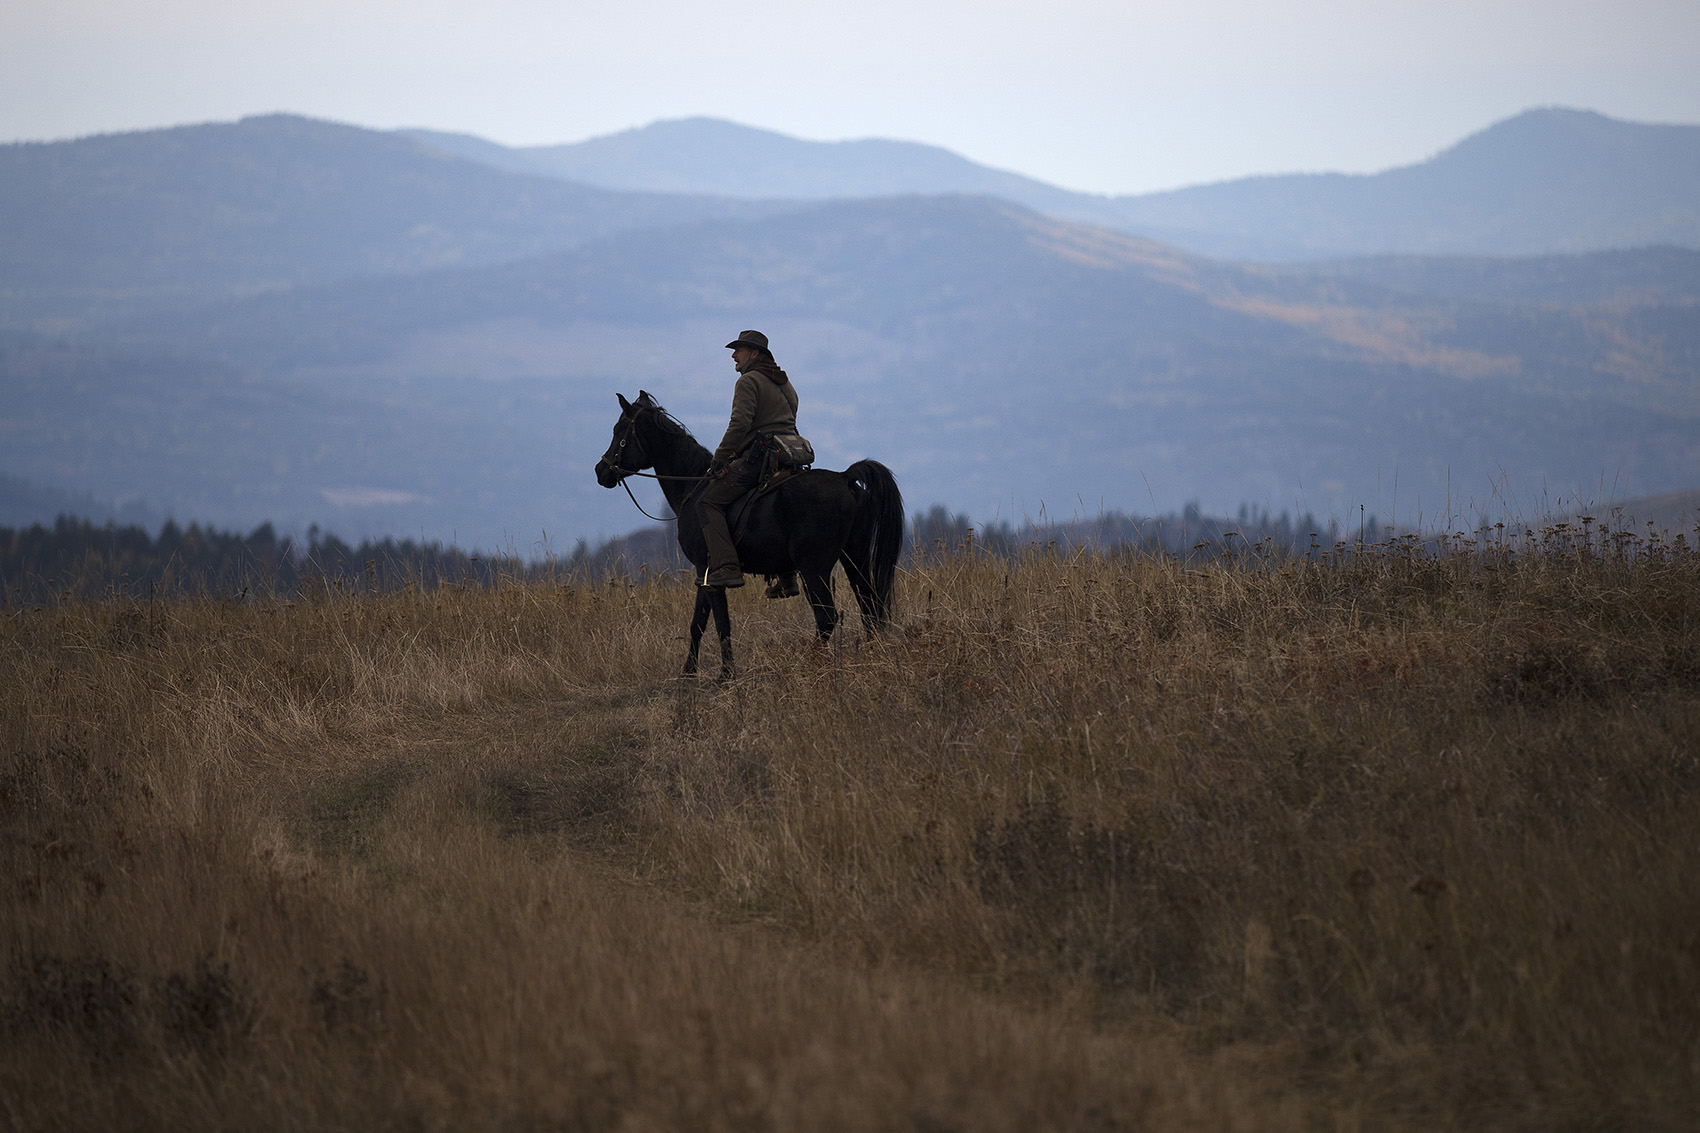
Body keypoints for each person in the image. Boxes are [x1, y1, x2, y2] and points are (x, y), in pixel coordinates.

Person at [697, 330, 801, 591]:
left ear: (754, 354)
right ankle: (786, 576)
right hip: (788, 456)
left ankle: (726, 567)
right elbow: (791, 414)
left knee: (707, 502)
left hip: (760, 458)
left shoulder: (748, 381)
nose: (734, 355)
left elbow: (740, 424)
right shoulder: (783, 381)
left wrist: (719, 460)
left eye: (739, 350)